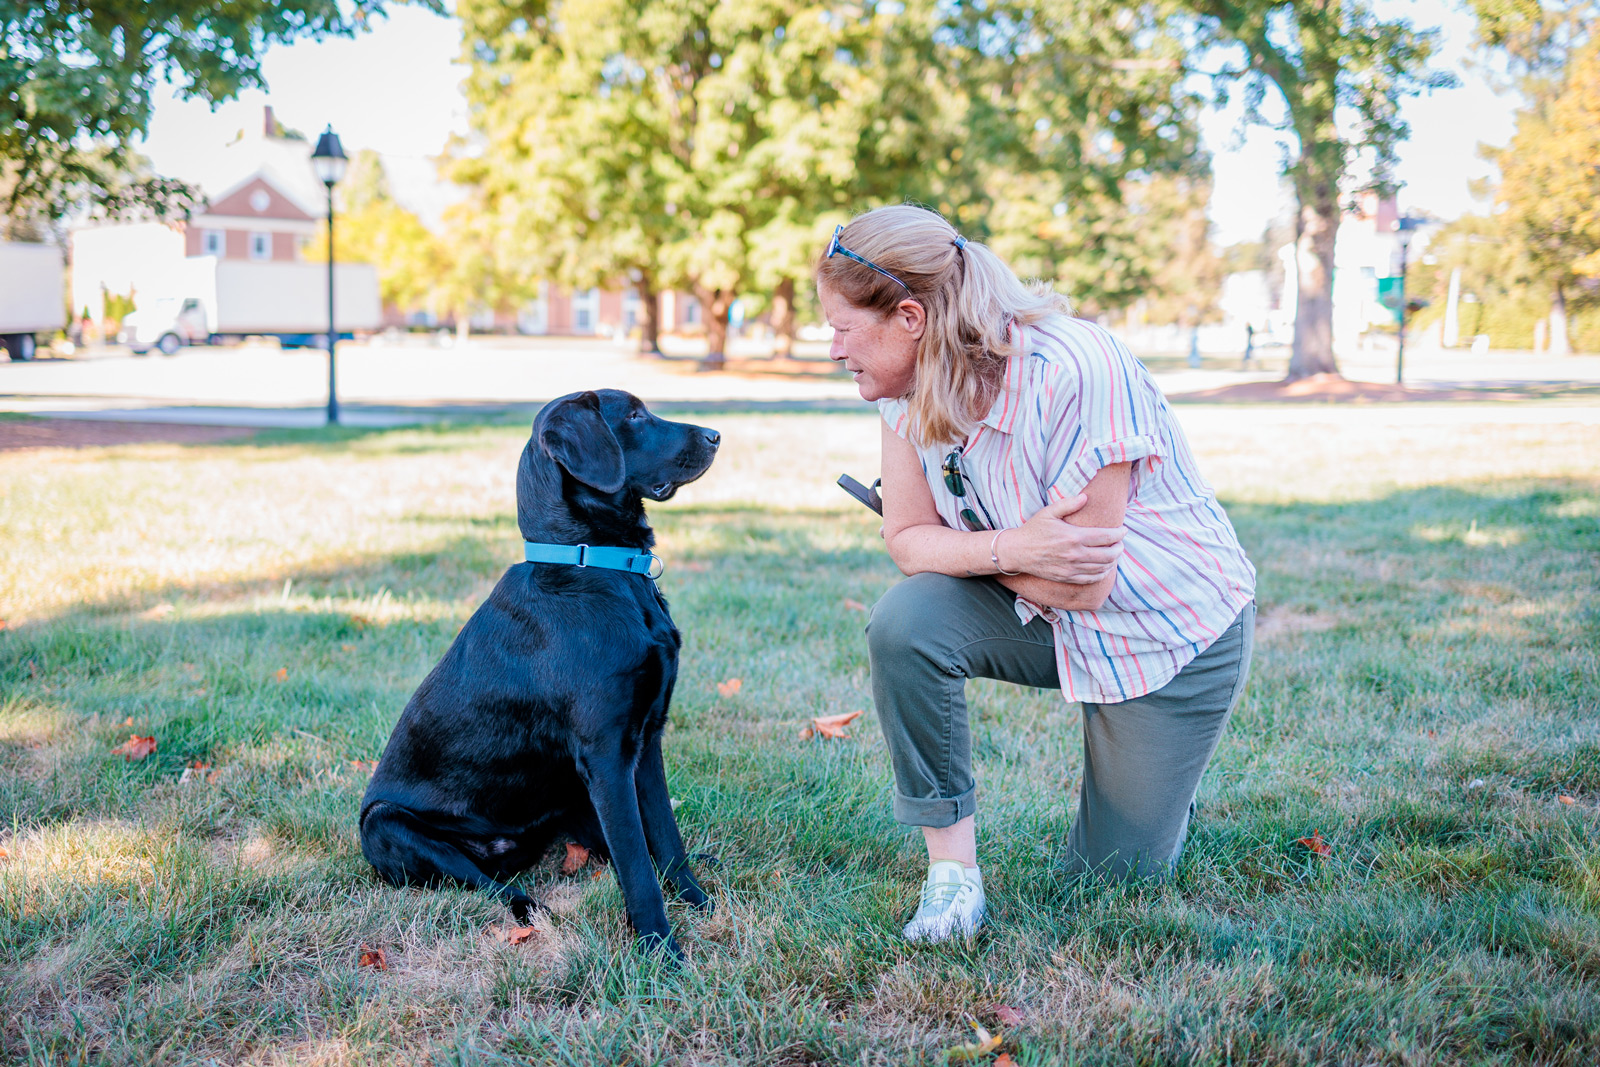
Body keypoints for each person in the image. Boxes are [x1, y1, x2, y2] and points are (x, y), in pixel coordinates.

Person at [817, 205, 1256, 943]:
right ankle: (952, 879)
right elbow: (906, 540)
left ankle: (1163, 790)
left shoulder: (1077, 369)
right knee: (907, 621)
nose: (833, 350)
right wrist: (1012, 545)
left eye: (841, 327)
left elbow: (1081, 584)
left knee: (1109, 892)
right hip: (1039, 612)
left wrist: (961, 548)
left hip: (1163, 636)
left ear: (910, 316)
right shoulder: (901, 388)